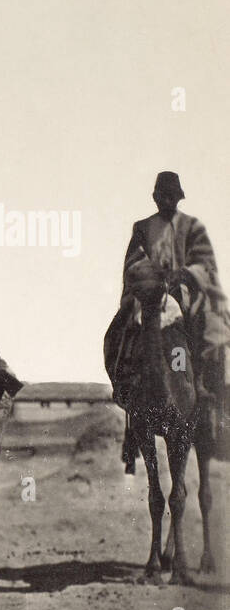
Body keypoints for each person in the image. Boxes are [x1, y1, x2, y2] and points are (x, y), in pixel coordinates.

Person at [105, 171, 230, 465]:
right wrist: (150, 277)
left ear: (178, 198)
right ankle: (126, 385)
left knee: (209, 329)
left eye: (172, 196)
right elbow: (132, 263)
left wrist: (184, 275)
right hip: (150, 291)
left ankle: (203, 387)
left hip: (184, 291)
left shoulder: (192, 227)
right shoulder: (142, 228)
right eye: (162, 196)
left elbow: (206, 265)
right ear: (155, 197)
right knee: (123, 327)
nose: (167, 201)